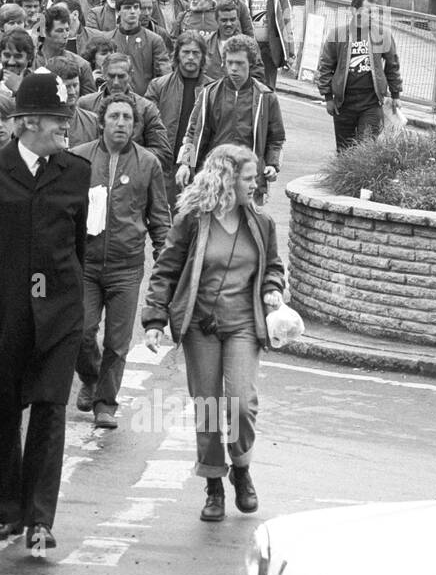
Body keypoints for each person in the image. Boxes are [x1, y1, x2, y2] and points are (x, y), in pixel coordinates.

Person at [0, 70, 89, 553]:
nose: (65, 130)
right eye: (56, 121)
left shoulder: (76, 173)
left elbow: (77, 248)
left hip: (59, 318)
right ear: (27, 122)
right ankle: (6, 512)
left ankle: (41, 519)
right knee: (4, 410)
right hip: (2, 316)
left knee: (50, 410)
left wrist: (72, 303)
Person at [142, 143, 285, 522]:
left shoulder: (261, 222)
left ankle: (241, 468)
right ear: (228, 178)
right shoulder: (193, 219)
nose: (255, 185)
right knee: (208, 407)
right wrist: (154, 319)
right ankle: (213, 484)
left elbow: (273, 264)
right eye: (249, 178)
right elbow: (166, 269)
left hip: (242, 325)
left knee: (241, 404)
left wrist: (272, 286)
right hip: (201, 325)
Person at [69, 93, 170, 428]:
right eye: (114, 117)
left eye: (127, 118)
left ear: (135, 125)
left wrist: (164, 259)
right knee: (80, 332)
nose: (121, 124)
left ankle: (105, 405)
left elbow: (159, 216)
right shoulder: (78, 160)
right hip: (85, 264)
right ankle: (91, 377)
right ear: (102, 121)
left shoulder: (147, 164)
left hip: (126, 268)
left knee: (118, 342)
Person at [176, 37, 286, 205]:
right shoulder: (209, 94)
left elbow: (276, 138)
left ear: (251, 63)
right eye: (230, 62)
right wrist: (185, 163)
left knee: (247, 227)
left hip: (249, 177)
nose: (234, 68)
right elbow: (192, 133)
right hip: (214, 175)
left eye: (240, 63)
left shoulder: (266, 97)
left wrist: (272, 164)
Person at [316, 0, 403, 151]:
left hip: (371, 103)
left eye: (374, 12)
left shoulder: (383, 35)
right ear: (354, 11)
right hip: (343, 103)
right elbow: (325, 67)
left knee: (366, 150)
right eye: (368, 11)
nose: (372, 15)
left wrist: (396, 94)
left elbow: (392, 65)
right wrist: (328, 97)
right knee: (344, 152)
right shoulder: (337, 34)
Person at [145, 32, 217, 213]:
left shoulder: (213, 90)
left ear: (203, 57)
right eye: (186, 52)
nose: (191, 57)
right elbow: (146, 125)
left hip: (199, 167)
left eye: (196, 53)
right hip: (165, 165)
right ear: (177, 55)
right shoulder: (158, 86)